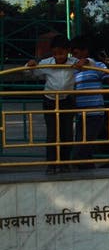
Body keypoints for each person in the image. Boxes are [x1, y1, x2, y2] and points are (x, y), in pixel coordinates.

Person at [25, 35, 77, 173]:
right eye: (55, 53)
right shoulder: (46, 63)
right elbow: (30, 73)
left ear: (68, 51)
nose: (58, 56)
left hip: (67, 100)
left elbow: (90, 64)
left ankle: (65, 164)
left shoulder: (74, 62)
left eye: (61, 53)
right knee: (52, 133)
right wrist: (29, 66)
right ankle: (52, 164)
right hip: (50, 101)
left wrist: (85, 62)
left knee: (67, 133)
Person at [70, 37, 108, 169]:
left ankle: (80, 167)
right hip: (81, 113)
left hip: (95, 112)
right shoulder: (74, 69)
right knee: (83, 143)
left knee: (84, 144)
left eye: (76, 53)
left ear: (85, 51)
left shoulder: (98, 66)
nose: (74, 57)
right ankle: (87, 169)